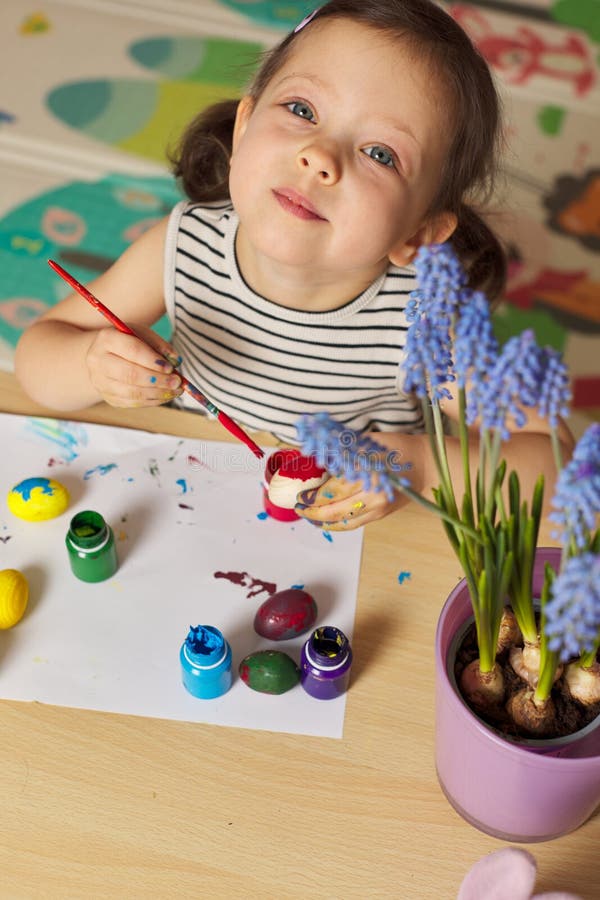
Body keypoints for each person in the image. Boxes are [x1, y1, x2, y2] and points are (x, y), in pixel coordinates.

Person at [15, 0, 572, 531]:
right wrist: (91, 365)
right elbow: (36, 363)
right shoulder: (182, 244)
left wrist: (422, 467)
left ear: (419, 234)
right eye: (302, 110)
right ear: (244, 127)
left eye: (380, 153)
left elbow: (553, 462)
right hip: (189, 496)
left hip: (351, 535)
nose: (320, 157)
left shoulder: (420, 317)